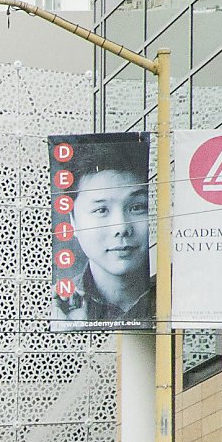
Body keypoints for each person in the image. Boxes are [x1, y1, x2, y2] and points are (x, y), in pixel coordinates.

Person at [54, 137, 154, 327]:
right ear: (73, 220)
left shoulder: (179, 297)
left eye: (137, 207)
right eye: (101, 210)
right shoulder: (60, 308)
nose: (122, 228)